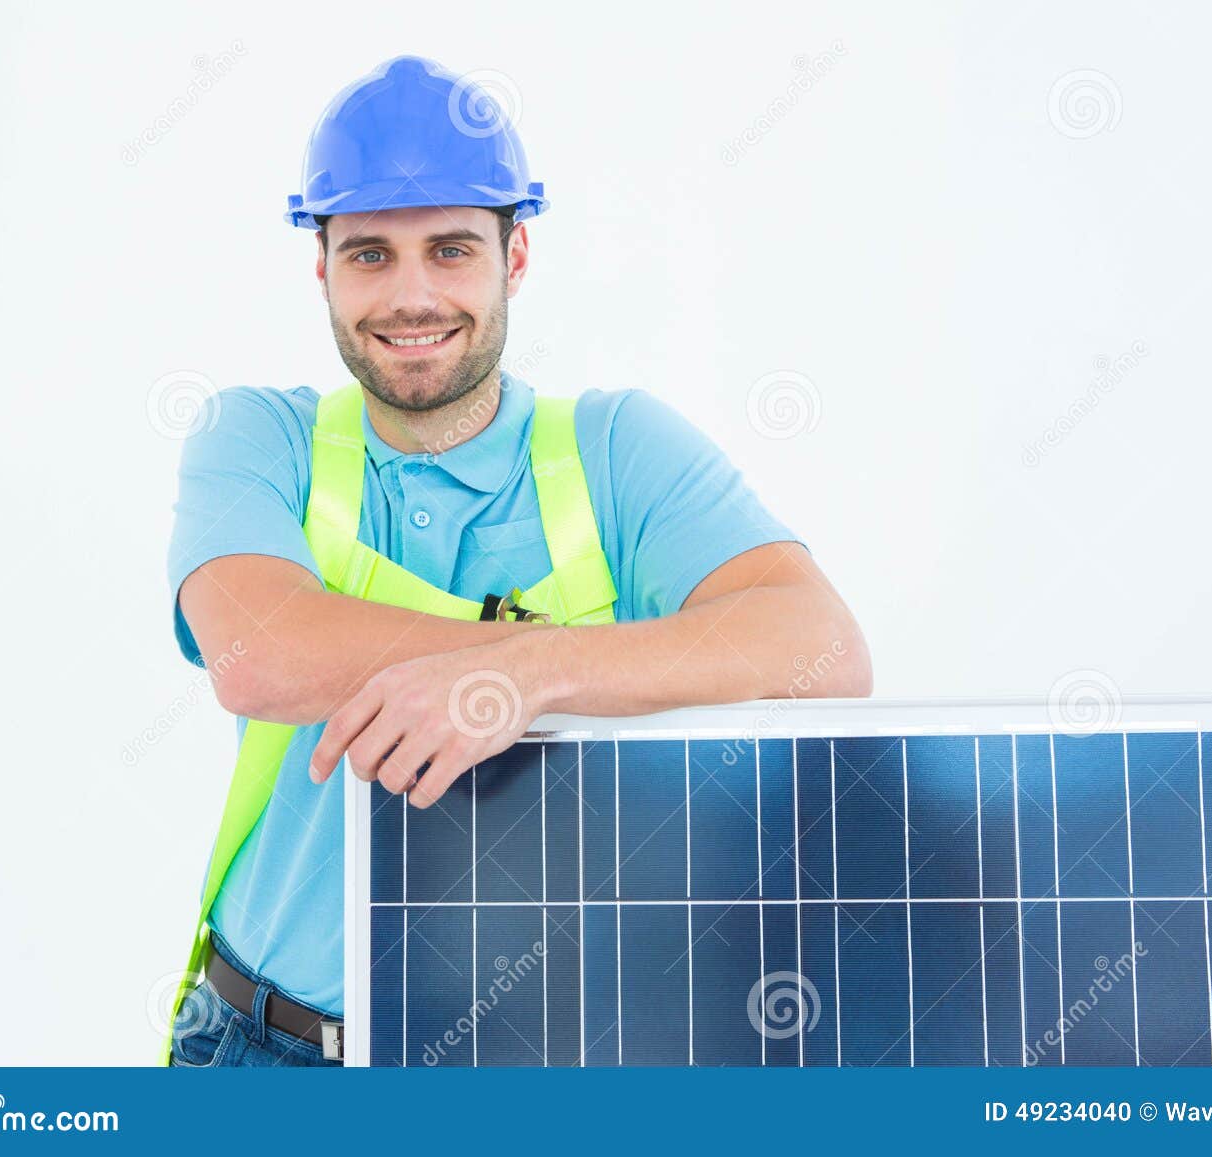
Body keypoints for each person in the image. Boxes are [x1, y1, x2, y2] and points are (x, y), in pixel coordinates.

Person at [163, 54, 871, 1067]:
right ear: (321, 268)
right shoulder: (255, 437)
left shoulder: (619, 450)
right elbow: (260, 653)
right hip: (264, 1054)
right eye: (369, 254)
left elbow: (821, 649)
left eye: (450, 250)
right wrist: (536, 646)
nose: (411, 296)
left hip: (540, 1059)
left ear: (516, 255)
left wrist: (523, 672)